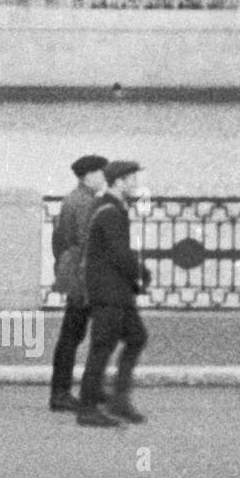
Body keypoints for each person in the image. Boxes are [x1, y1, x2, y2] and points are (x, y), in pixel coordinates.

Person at [77, 160, 151, 428]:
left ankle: (119, 400)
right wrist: (141, 274)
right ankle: (87, 409)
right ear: (119, 182)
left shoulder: (113, 207)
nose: (136, 183)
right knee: (102, 346)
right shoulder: (109, 211)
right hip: (108, 291)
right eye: (131, 179)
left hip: (116, 290)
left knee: (136, 336)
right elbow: (120, 253)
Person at [49, 154, 108, 413]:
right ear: (88, 176)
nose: (104, 177)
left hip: (76, 273)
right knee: (73, 335)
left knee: (73, 334)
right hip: (84, 277)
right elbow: (88, 242)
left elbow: (58, 239)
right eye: (100, 173)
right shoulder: (84, 202)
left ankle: (69, 390)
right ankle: (62, 393)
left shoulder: (75, 198)